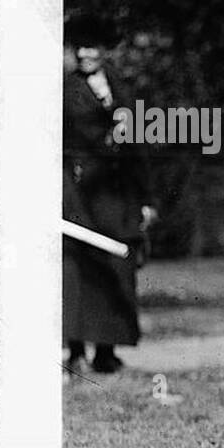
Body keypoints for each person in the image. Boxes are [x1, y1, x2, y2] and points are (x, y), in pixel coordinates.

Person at [63, 31, 155, 376]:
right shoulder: (65, 90)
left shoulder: (122, 89)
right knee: (79, 270)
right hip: (80, 192)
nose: (86, 52)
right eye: (80, 46)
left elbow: (138, 144)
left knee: (116, 267)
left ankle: (107, 350)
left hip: (119, 196)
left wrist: (147, 198)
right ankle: (75, 351)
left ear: (104, 49)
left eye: (92, 45)